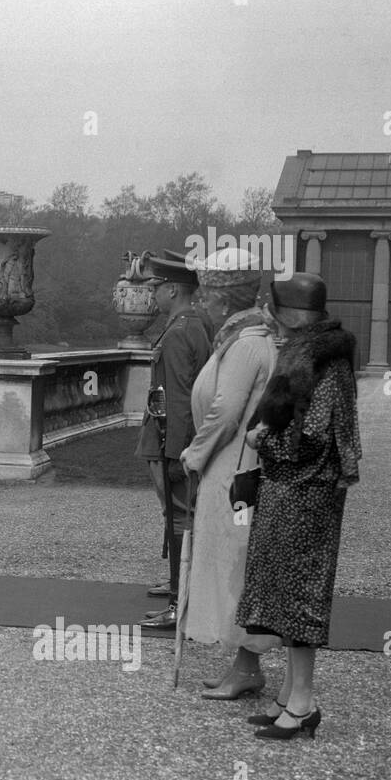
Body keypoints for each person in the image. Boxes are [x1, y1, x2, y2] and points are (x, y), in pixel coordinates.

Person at [237, 273, 361, 740]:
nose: (267, 321)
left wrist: (262, 438)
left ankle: (304, 703)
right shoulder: (309, 353)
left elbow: (312, 438)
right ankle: (290, 697)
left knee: (300, 596)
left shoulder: (323, 362)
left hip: (306, 494)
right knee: (284, 595)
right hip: (291, 493)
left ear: (285, 315)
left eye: (271, 312)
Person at [176, 251, 280, 699]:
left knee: (236, 566)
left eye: (208, 293)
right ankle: (242, 664)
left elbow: (226, 411)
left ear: (222, 299)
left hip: (236, 470)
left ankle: (247, 666)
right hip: (233, 465)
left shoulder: (246, 344)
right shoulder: (244, 339)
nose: (202, 302)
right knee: (231, 562)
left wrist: (195, 454)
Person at [134, 251, 211, 629]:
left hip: (170, 437)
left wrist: (176, 452)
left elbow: (180, 396)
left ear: (174, 290)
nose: (154, 293)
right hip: (166, 433)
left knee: (180, 515)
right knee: (177, 516)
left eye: (158, 286)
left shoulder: (181, 331)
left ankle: (180, 604)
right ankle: (179, 586)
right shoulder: (189, 324)